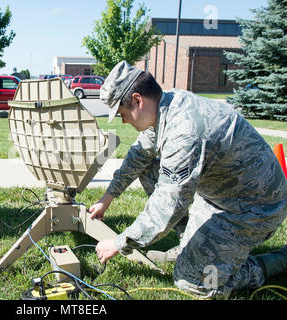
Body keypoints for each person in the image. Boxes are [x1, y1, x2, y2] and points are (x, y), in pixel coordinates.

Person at [89, 61, 287, 298]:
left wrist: (119, 243)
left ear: (138, 100)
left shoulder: (184, 134)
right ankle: (188, 246)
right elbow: (139, 155)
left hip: (254, 209)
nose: (124, 121)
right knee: (148, 162)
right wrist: (107, 198)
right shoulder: (167, 105)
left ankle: (273, 262)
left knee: (193, 281)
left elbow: (168, 205)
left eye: (122, 114)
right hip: (225, 197)